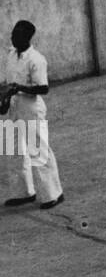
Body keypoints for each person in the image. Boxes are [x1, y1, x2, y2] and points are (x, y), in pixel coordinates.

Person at [2, 19, 64, 210]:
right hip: (13, 109)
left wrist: (17, 88)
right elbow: (6, 82)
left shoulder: (36, 59)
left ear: (26, 38)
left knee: (38, 151)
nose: (12, 37)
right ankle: (24, 192)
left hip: (31, 110)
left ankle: (53, 194)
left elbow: (44, 88)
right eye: (13, 33)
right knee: (13, 151)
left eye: (17, 35)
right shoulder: (11, 55)